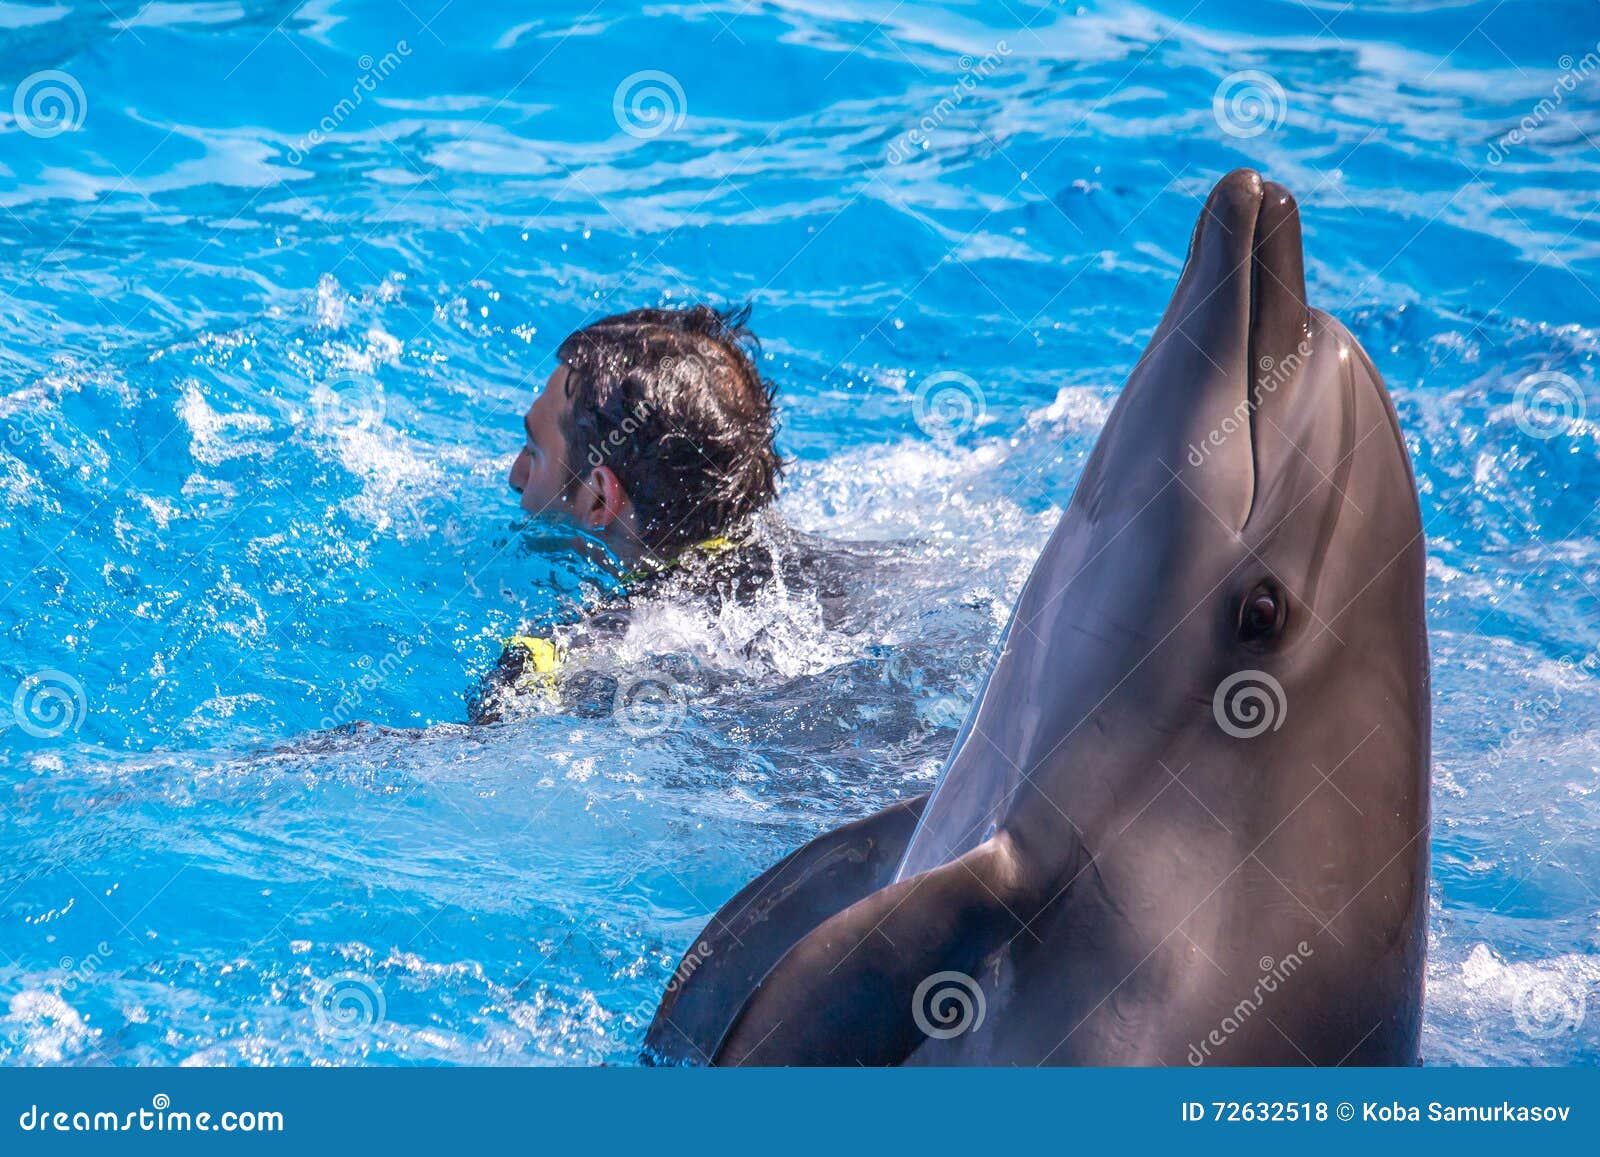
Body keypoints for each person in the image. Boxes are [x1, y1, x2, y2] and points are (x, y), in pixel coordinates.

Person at [470, 303, 784, 722]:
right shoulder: (835, 574)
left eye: (533, 451)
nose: (515, 474)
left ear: (600, 499)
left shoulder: (562, 658)